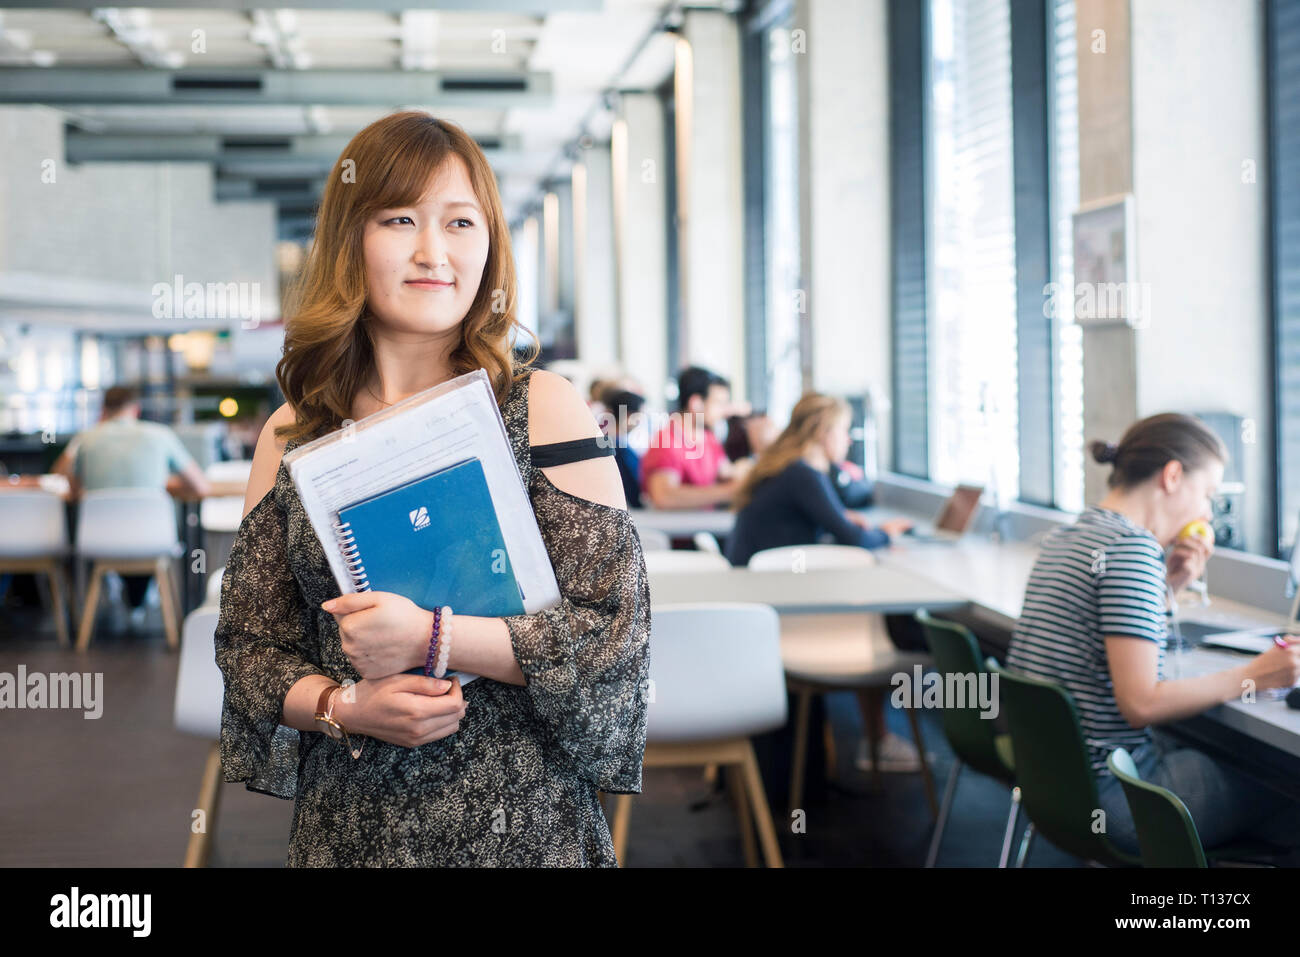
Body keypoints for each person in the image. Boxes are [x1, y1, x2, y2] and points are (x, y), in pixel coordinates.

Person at [213, 111, 651, 867]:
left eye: (459, 222)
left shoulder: (541, 406)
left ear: (489, 244)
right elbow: (250, 647)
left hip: (524, 826)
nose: (432, 251)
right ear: (351, 238)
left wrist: (433, 638)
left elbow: (616, 636)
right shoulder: (292, 432)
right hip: (351, 829)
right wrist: (342, 705)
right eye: (400, 219)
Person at [1006, 413, 1300, 859]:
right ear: (1173, 475)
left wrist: (1170, 588)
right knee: (1285, 787)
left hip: (1056, 791)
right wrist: (1256, 676)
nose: (1205, 513)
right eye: (1207, 494)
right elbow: (1141, 703)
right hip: (1119, 798)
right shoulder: (1133, 549)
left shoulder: (1068, 534)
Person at [53, 384, 210, 612]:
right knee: (146, 548)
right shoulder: (160, 434)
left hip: (99, 542)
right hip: (153, 539)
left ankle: (109, 600)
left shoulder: (85, 439)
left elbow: (61, 476)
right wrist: (161, 482)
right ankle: (158, 606)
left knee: (113, 548)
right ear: (135, 409)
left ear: (103, 410)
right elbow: (201, 486)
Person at [724, 393, 911, 567]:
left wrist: (840, 516)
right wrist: (886, 533)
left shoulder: (785, 465)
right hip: (766, 578)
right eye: (844, 430)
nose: (848, 440)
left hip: (756, 572)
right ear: (823, 432)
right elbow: (855, 539)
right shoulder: (802, 473)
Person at [640, 365, 750, 509]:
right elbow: (664, 496)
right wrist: (730, 491)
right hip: (677, 530)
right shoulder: (666, 441)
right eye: (719, 403)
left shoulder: (708, 438)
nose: (725, 412)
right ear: (696, 403)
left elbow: (725, 472)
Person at [601, 388, 646, 509]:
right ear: (628, 415)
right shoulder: (619, 451)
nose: (640, 421)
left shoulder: (603, 443)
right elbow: (634, 492)